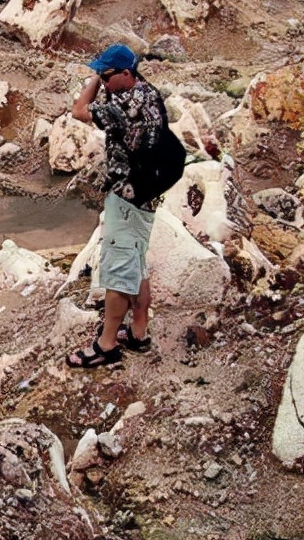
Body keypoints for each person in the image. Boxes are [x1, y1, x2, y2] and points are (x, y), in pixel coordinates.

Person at [65, 43, 186, 369]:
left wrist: (93, 80)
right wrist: (104, 75)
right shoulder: (148, 91)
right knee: (136, 264)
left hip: (128, 196)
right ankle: (138, 332)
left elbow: (79, 110)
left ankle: (105, 346)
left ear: (126, 73)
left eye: (107, 76)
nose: (103, 81)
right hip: (147, 193)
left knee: (118, 273)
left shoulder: (123, 106)